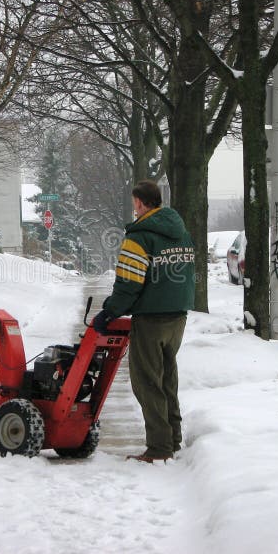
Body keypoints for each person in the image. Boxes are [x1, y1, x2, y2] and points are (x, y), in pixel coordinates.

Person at [92, 180, 195, 463]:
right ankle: (172, 438)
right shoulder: (181, 232)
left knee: (147, 382)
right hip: (178, 316)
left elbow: (129, 282)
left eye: (133, 202)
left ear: (139, 202)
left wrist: (110, 312)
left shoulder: (139, 237)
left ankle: (160, 448)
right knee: (166, 378)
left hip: (151, 318)